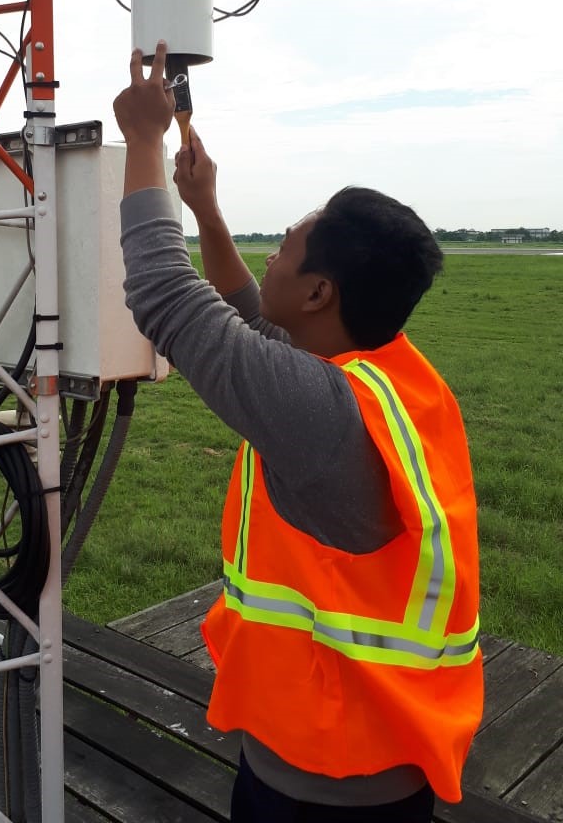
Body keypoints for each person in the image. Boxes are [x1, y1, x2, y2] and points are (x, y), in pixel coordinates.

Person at [113, 42, 483, 823]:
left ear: (319, 292)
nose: (268, 255)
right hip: (372, 760)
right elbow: (250, 311)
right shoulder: (382, 374)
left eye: (282, 243)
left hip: (324, 780)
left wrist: (143, 141)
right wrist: (205, 207)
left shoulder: (321, 414)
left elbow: (164, 295)